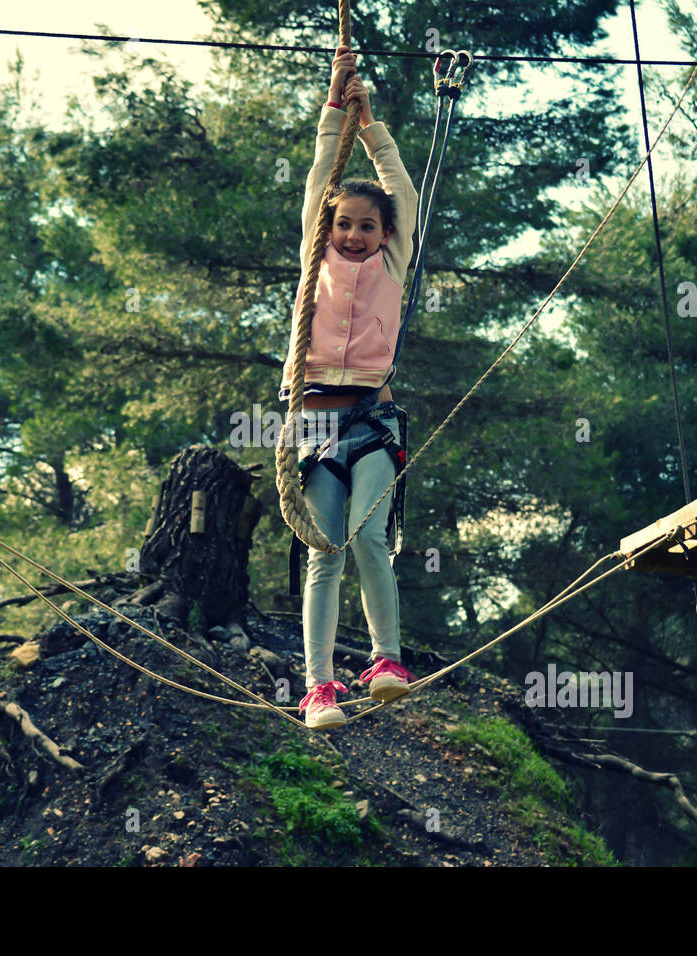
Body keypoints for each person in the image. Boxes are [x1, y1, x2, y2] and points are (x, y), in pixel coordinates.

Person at [279, 45, 417, 730]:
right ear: (328, 230)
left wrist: (371, 124)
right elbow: (317, 177)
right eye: (345, 225)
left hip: (372, 418)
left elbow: (403, 191)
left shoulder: (393, 261)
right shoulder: (316, 259)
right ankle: (319, 686)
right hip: (314, 422)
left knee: (369, 540)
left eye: (367, 226)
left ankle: (386, 659)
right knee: (323, 553)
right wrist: (335, 105)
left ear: (385, 234)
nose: (356, 235)